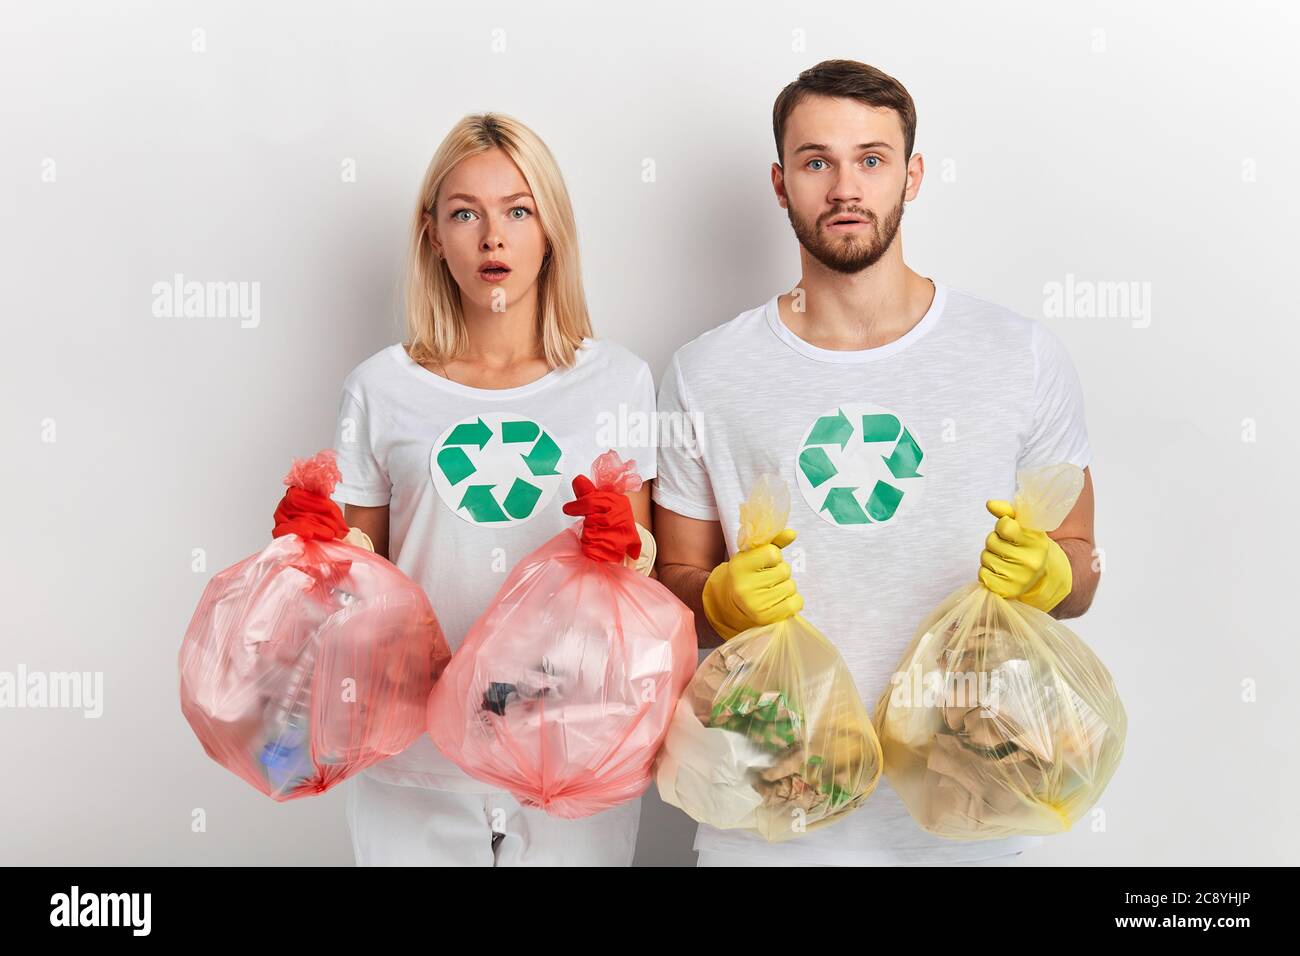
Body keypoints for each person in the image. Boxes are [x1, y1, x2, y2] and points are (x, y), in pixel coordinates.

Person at [653, 59, 1098, 866]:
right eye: (816, 162)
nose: (845, 188)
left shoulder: (1016, 355)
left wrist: (1054, 575)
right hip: (767, 812)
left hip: (968, 810)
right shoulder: (705, 373)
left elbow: (1083, 571)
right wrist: (716, 598)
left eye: (871, 159)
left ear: (912, 175)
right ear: (780, 183)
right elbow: (672, 589)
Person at [331, 113, 656, 866]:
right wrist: (312, 555)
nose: (492, 239)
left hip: (570, 750)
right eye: (464, 214)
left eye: (518, 210)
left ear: (551, 229)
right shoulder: (380, 388)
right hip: (416, 759)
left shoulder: (618, 381)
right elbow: (361, 586)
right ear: (432, 235)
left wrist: (627, 549)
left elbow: (639, 595)